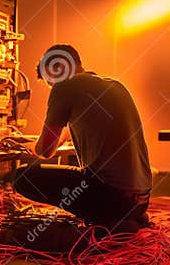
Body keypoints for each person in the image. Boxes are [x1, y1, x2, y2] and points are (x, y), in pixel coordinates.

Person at [13, 44, 152, 233]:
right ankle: (127, 217)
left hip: (112, 198)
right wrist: (56, 139)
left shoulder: (64, 86)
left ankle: (110, 220)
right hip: (141, 200)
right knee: (88, 180)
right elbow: (71, 129)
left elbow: (45, 151)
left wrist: (27, 145)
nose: (53, 87)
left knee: (22, 177)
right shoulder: (113, 85)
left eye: (50, 83)